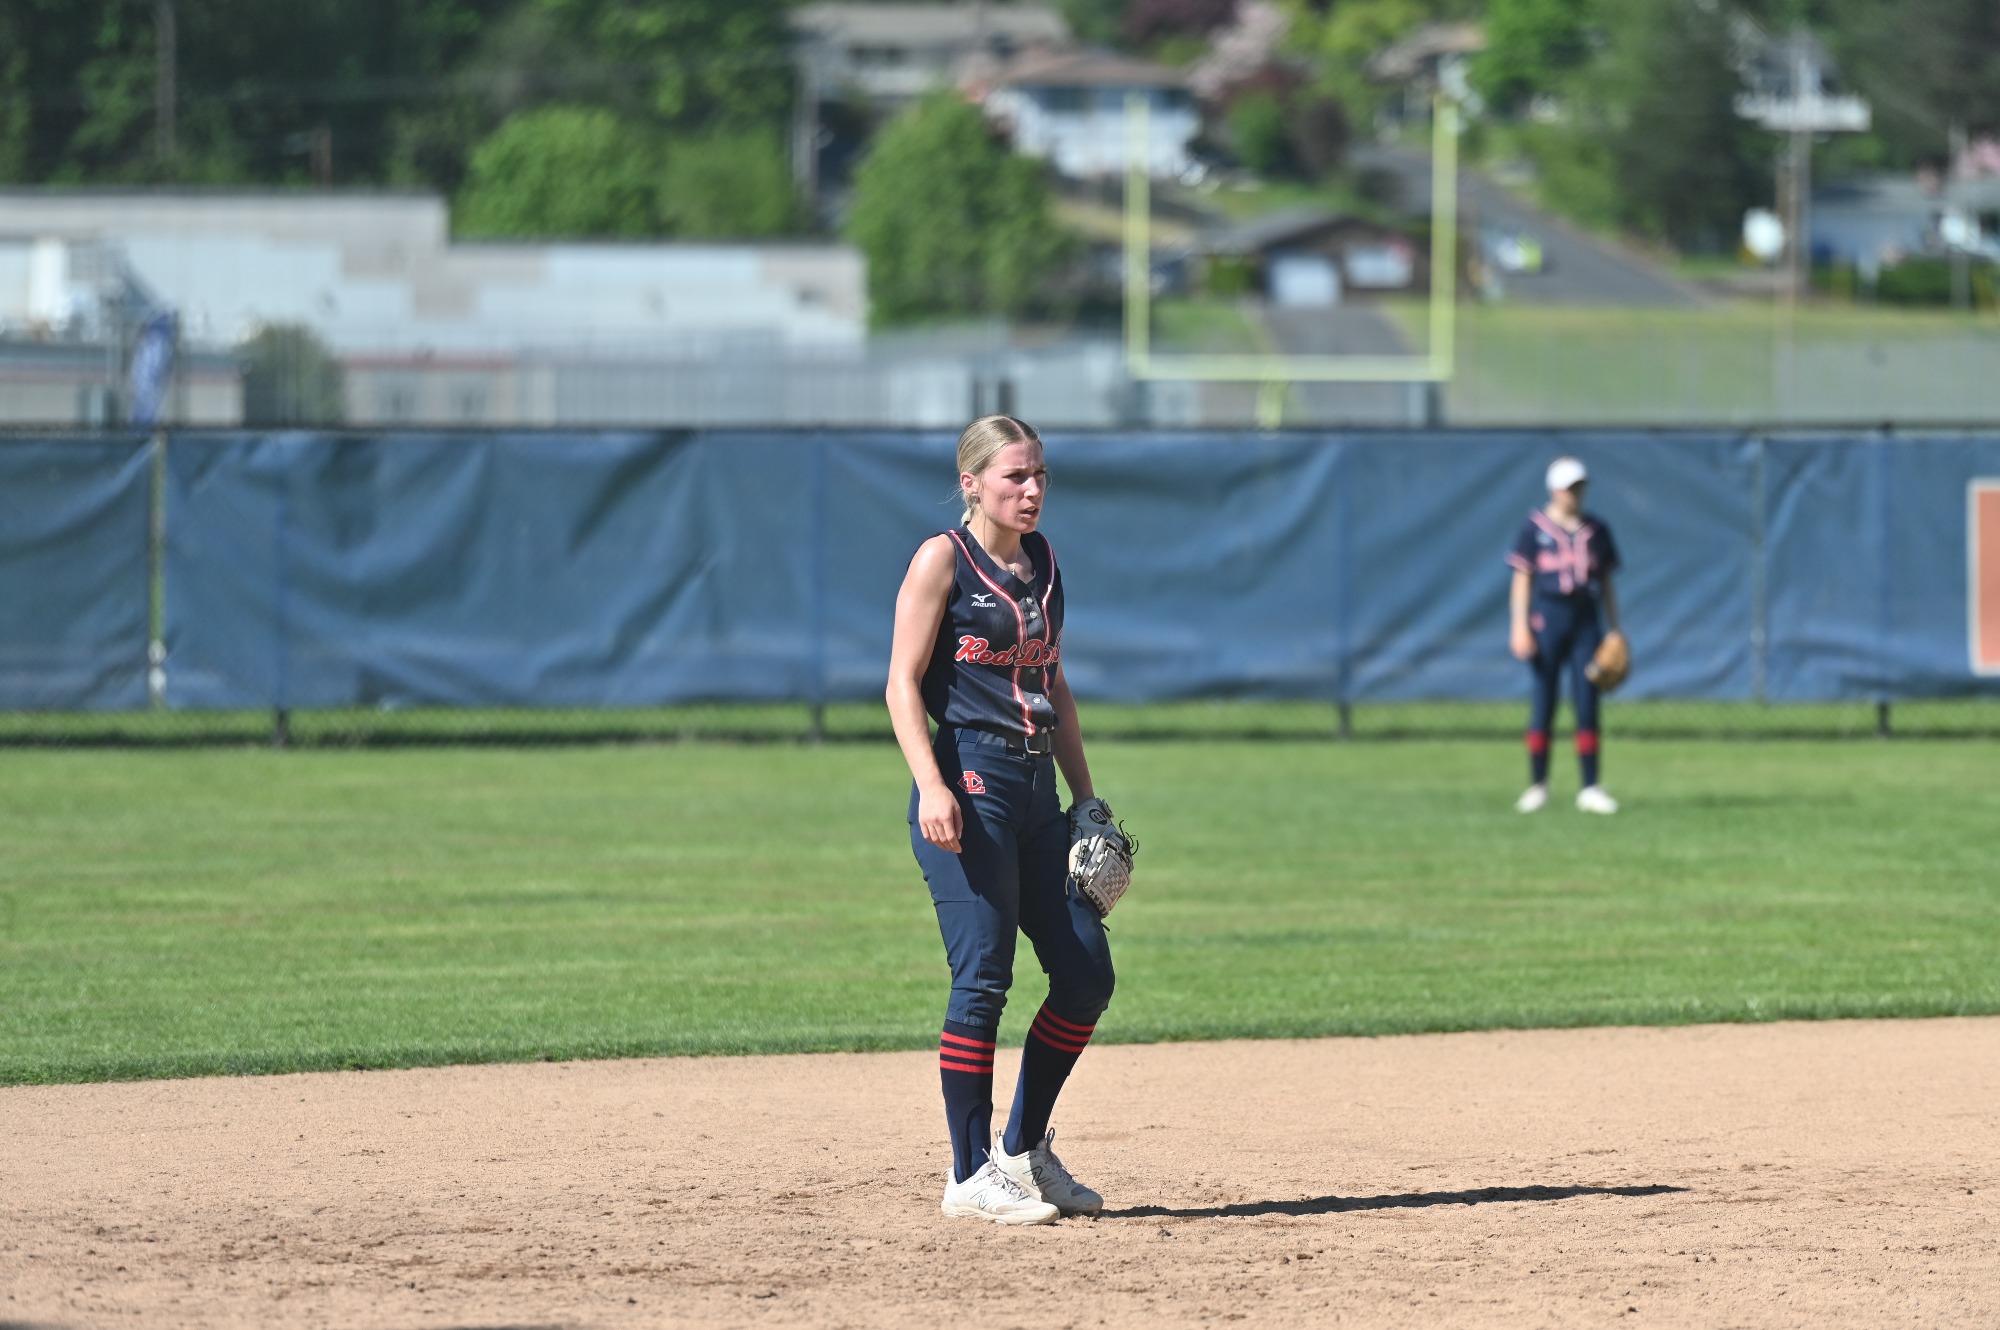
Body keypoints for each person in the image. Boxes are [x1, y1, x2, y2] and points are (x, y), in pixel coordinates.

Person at [885, 415, 1116, 1226]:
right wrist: (931, 785)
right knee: (982, 977)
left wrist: (1085, 797)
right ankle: (967, 1174)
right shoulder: (942, 559)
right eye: (1014, 476)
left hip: (1033, 789)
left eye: (1040, 475)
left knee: (1087, 972)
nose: (1031, 490)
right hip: (966, 782)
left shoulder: (1045, 563)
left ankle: (1022, 1149)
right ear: (971, 482)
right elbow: (902, 686)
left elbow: (1054, 687)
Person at [1507, 456, 1623, 814]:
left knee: (1587, 701)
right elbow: (1522, 579)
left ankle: (1590, 787)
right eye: (1569, 487)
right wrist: (1520, 625)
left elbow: (1605, 583)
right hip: (1548, 617)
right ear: (1554, 490)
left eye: (1579, 486)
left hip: (1585, 619)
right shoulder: (1534, 529)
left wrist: (1615, 630)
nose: (1575, 493)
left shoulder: (1596, 530)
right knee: (1544, 701)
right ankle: (1538, 785)